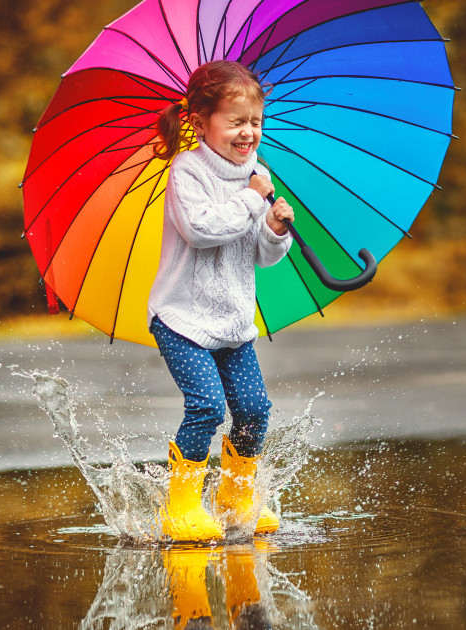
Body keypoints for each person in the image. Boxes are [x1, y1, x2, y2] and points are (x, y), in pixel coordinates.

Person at [148, 60, 294, 541]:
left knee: (253, 409)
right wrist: (252, 200)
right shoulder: (187, 171)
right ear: (200, 122)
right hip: (182, 319)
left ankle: (236, 498)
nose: (248, 132)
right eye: (235, 122)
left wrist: (274, 230)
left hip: (232, 320)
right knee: (207, 406)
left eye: (255, 121)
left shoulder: (258, 174)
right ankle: (181, 506)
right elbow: (202, 230)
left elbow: (260, 255)